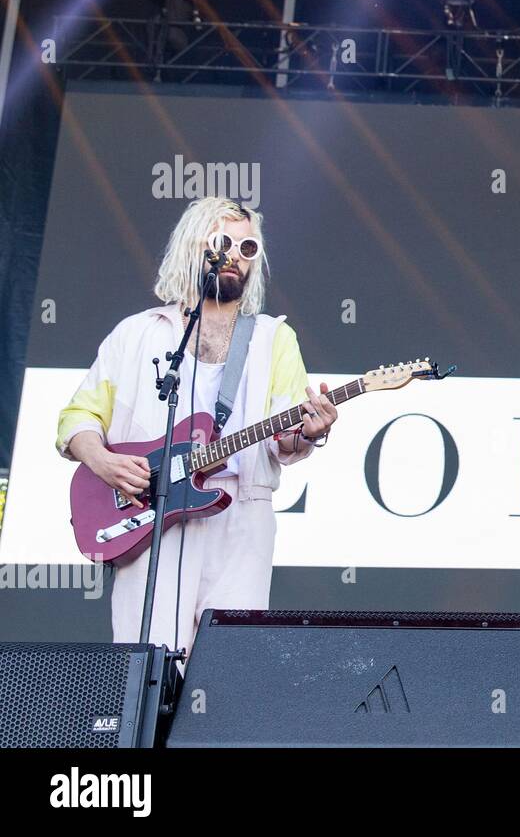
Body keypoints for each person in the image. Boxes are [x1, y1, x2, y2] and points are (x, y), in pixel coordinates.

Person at [56, 196, 339, 654]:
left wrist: (309, 431)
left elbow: (285, 435)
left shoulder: (273, 338)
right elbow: (76, 418)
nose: (236, 257)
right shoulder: (136, 333)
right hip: (152, 514)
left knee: (228, 669)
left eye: (249, 250)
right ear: (195, 246)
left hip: (242, 517)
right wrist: (104, 461)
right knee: (146, 666)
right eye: (224, 243)